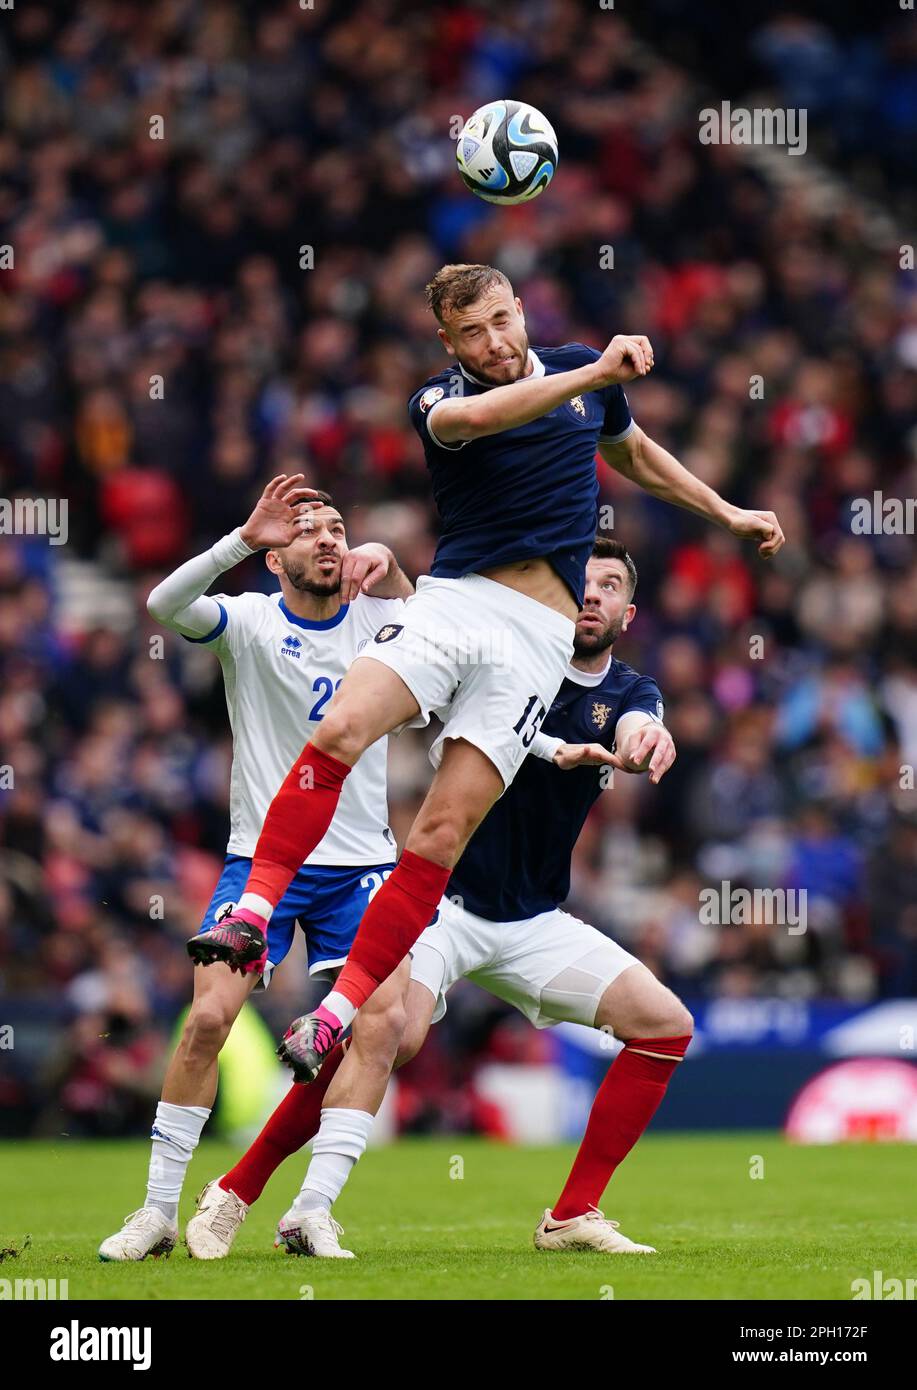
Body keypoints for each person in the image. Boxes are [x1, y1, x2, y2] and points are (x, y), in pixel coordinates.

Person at [193, 262, 783, 1087]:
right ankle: (252, 914)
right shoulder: (441, 401)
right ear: (449, 341)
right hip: (454, 603)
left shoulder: (583, 379)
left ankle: (334, 1013)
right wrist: (595, 371)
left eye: (503, 320)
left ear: (521, 310)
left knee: (438, 835)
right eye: (473, 332)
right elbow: (488, 412)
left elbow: (637, 454)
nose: (495, 342)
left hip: (536, 640)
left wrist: (726, 512)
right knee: (339, 729)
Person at [189, 539, 691, 1259]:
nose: (590, 595)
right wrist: (390, 569)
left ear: (627, 611)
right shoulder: (506, 654)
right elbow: (418, 614)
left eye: (608, 586)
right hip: (435, 905)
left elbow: (639, 724)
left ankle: (572, 1214)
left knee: (664, 1026)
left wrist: (650, 736)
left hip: (531, 918)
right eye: (579, 581)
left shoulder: (630, 692)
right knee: (388, 1034)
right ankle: (238, 1189)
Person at [98, 477, 413, 1260]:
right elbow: (165, 605)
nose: (328, 538)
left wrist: (391, 560)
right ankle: (157, 1214)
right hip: (264, 859)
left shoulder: (383, 622)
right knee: (207, 1019)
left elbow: (439, 611)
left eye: (338, 526)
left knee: (381, 1029)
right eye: (307, 530)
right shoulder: (248, 620)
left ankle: (311, 1210)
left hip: (364, 862)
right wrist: (242, 537)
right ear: (276, 558)